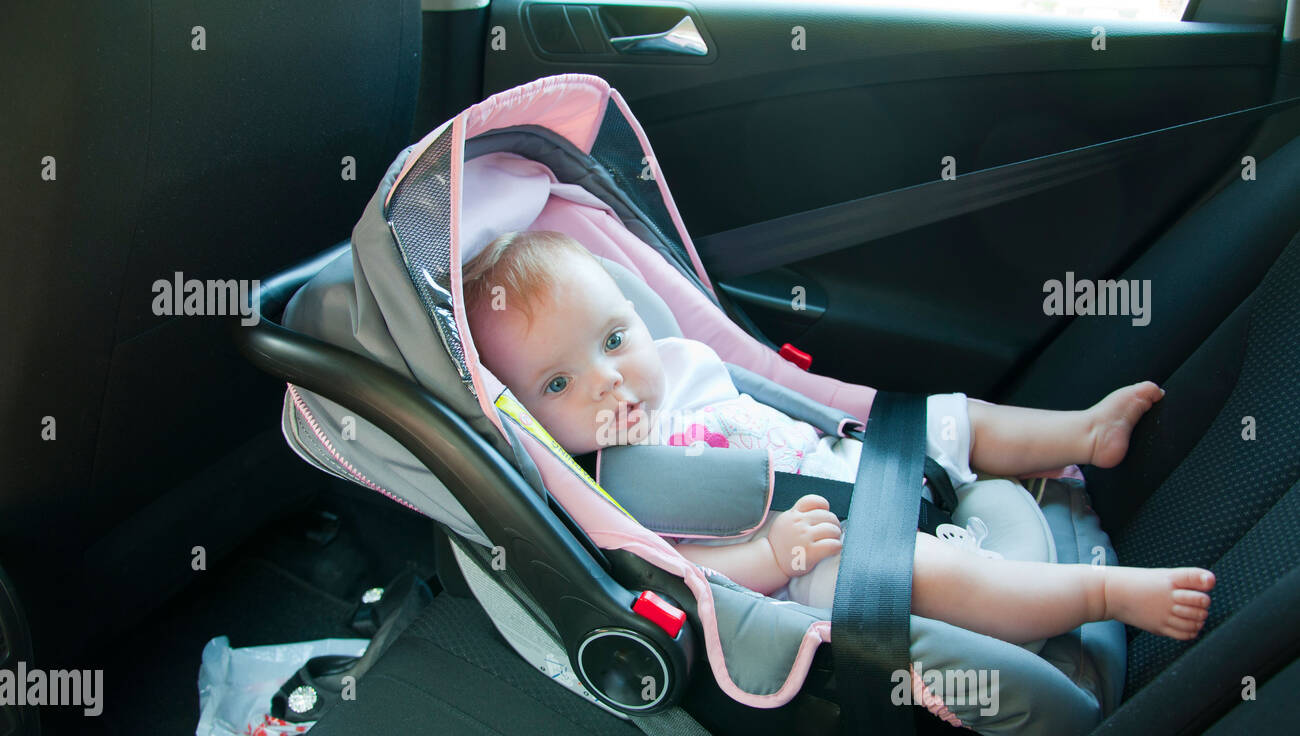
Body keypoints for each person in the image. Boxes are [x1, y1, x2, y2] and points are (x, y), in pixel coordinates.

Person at [462, 230, 1215, 646]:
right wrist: (773, 552)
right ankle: (1105, 594)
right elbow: (689, 574)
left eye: (615, 337)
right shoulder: (615, 486)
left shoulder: (683, 368)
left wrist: (850, 436)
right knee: (923, 573)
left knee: (948, 418)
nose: (606, 380)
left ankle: (1080, 433)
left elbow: (785, 407)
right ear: (521, 415)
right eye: (557, 385)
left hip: (850, 464)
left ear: (634, 312)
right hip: (811, 557)